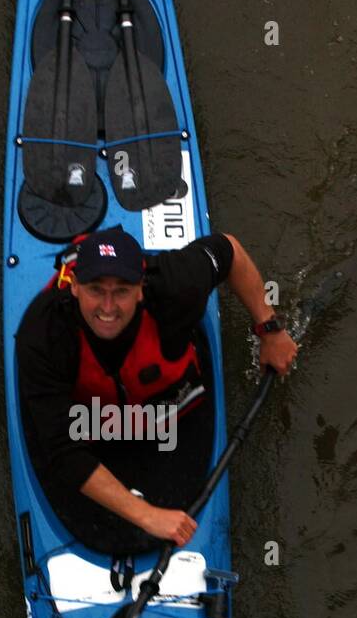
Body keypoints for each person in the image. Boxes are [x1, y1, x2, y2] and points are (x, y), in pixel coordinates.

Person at [16, 226, 298, 553]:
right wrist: (147, 516)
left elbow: (229, 251)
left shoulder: (175, 285)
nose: (108, 307)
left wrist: (270, 330)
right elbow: (62, 451)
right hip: (89, 427)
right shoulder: (43, 334)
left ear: (140, 288)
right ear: (75, 286)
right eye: (96, 290)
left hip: (167, 414)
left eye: (121, 290)